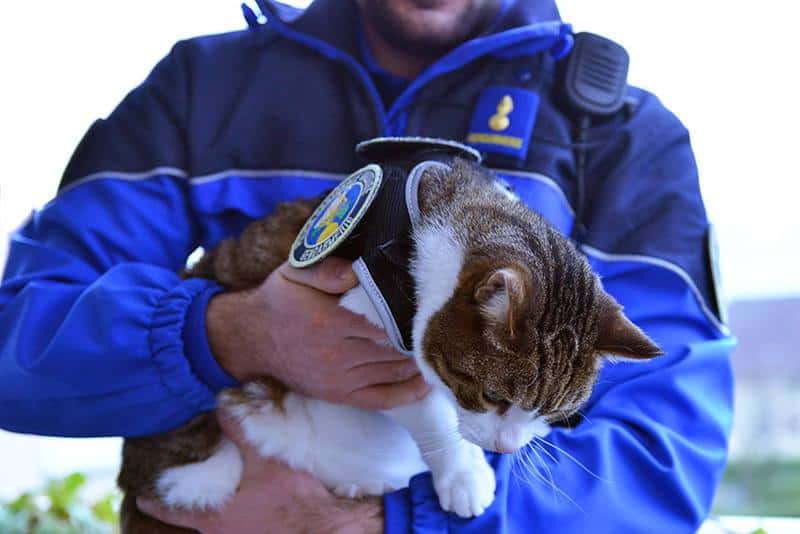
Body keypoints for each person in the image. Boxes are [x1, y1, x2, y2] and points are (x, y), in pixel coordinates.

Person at [0, 0, 734, 532]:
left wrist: (391, 520)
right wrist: (231, 335)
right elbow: (18, 336)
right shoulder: (200, 84)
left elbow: (665, 452)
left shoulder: (617, 132)